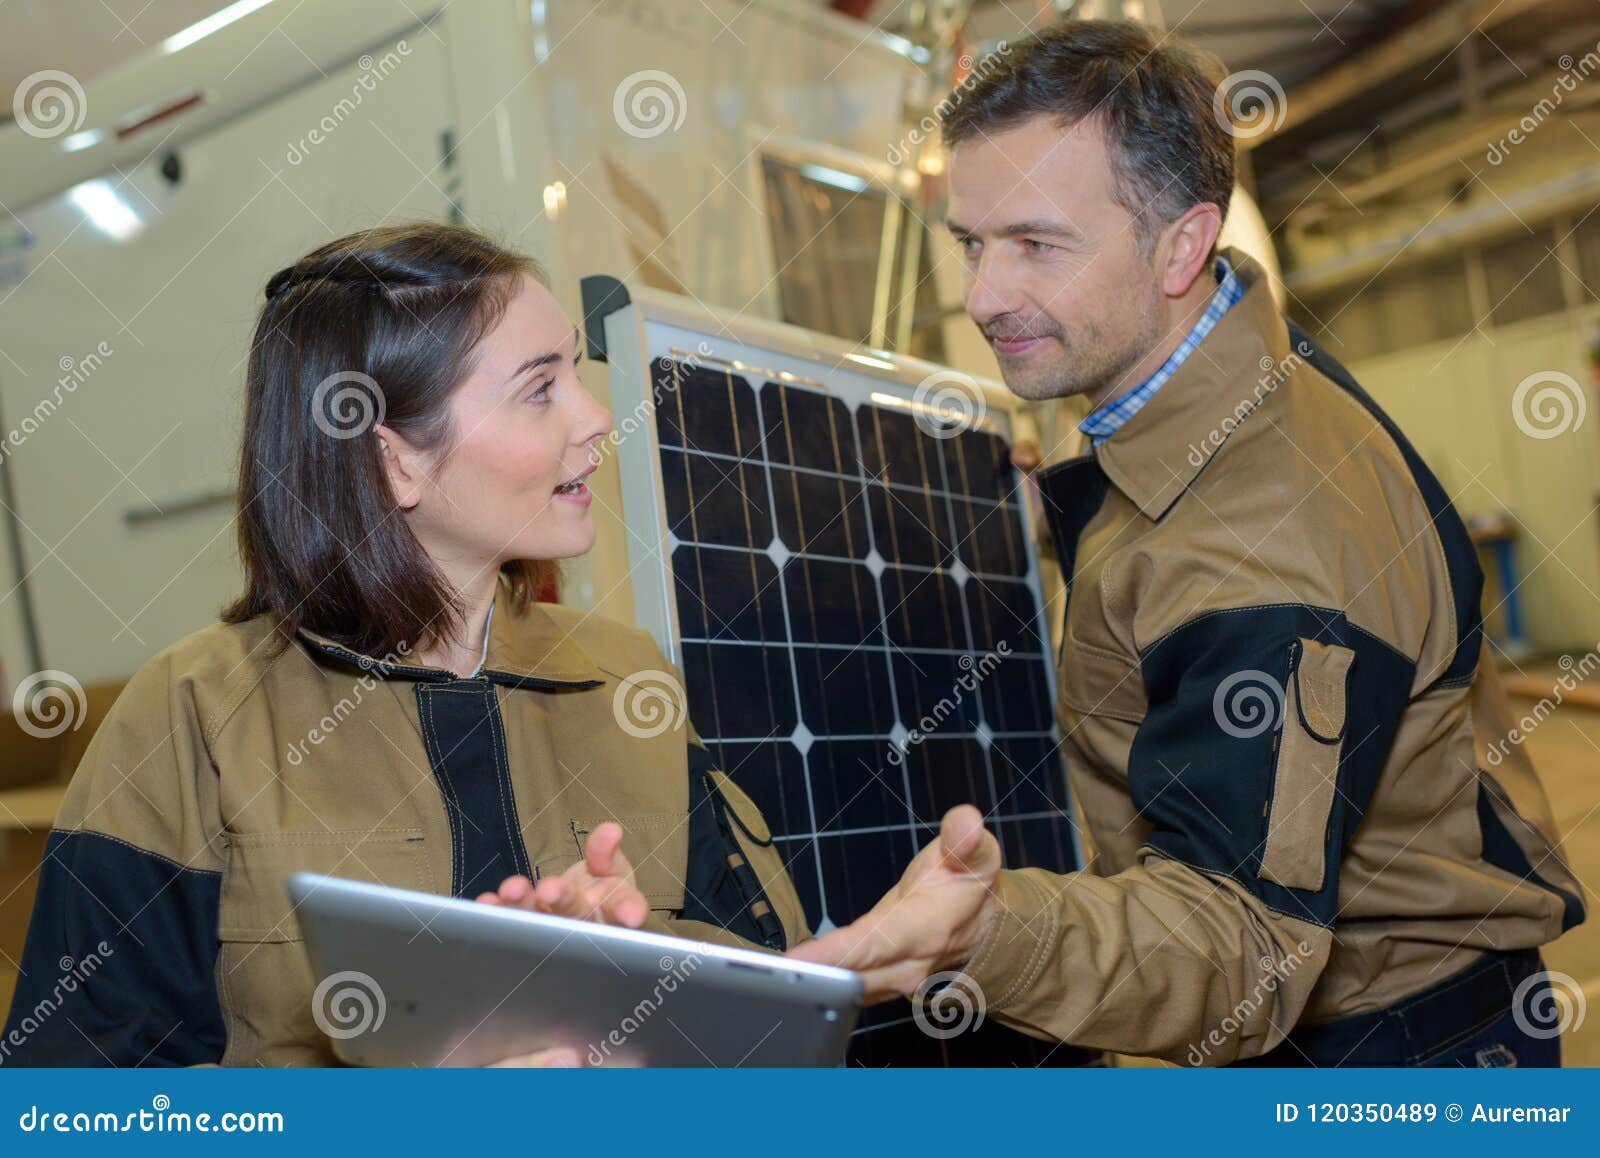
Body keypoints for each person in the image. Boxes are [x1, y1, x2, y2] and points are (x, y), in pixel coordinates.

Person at [792, 20, 1585, 1067]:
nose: (983, 297)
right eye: (972, 244)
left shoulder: (1263, 547)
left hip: (1388, 1057)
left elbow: (1241, 948)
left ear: (1180, 243)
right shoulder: (1230, 377)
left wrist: (990, 935)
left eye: (1035, 243)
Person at [1, 223, 807, 1067]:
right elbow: (72, 1108)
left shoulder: (627, 678)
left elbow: (766, 1016)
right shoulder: (191, 716)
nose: (597, 415)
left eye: (576, 368)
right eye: (540, 388)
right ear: (395, 463)